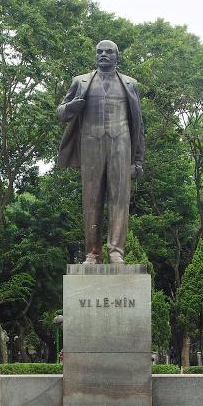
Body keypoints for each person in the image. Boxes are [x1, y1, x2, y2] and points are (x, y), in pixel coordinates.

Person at [56, 40, 145, 264]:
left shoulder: (130, 84)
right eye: (100, 51)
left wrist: (137, 160)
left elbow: (138, 125)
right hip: (90, 145)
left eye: (109, 51)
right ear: (95, 55)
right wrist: (71, 107)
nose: (104, 54)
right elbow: (61, 113)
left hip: (121, 144)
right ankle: (93, 253)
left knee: (119, 200)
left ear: (117, 56)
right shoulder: (80, 81)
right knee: (91, 199)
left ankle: (116, 252)